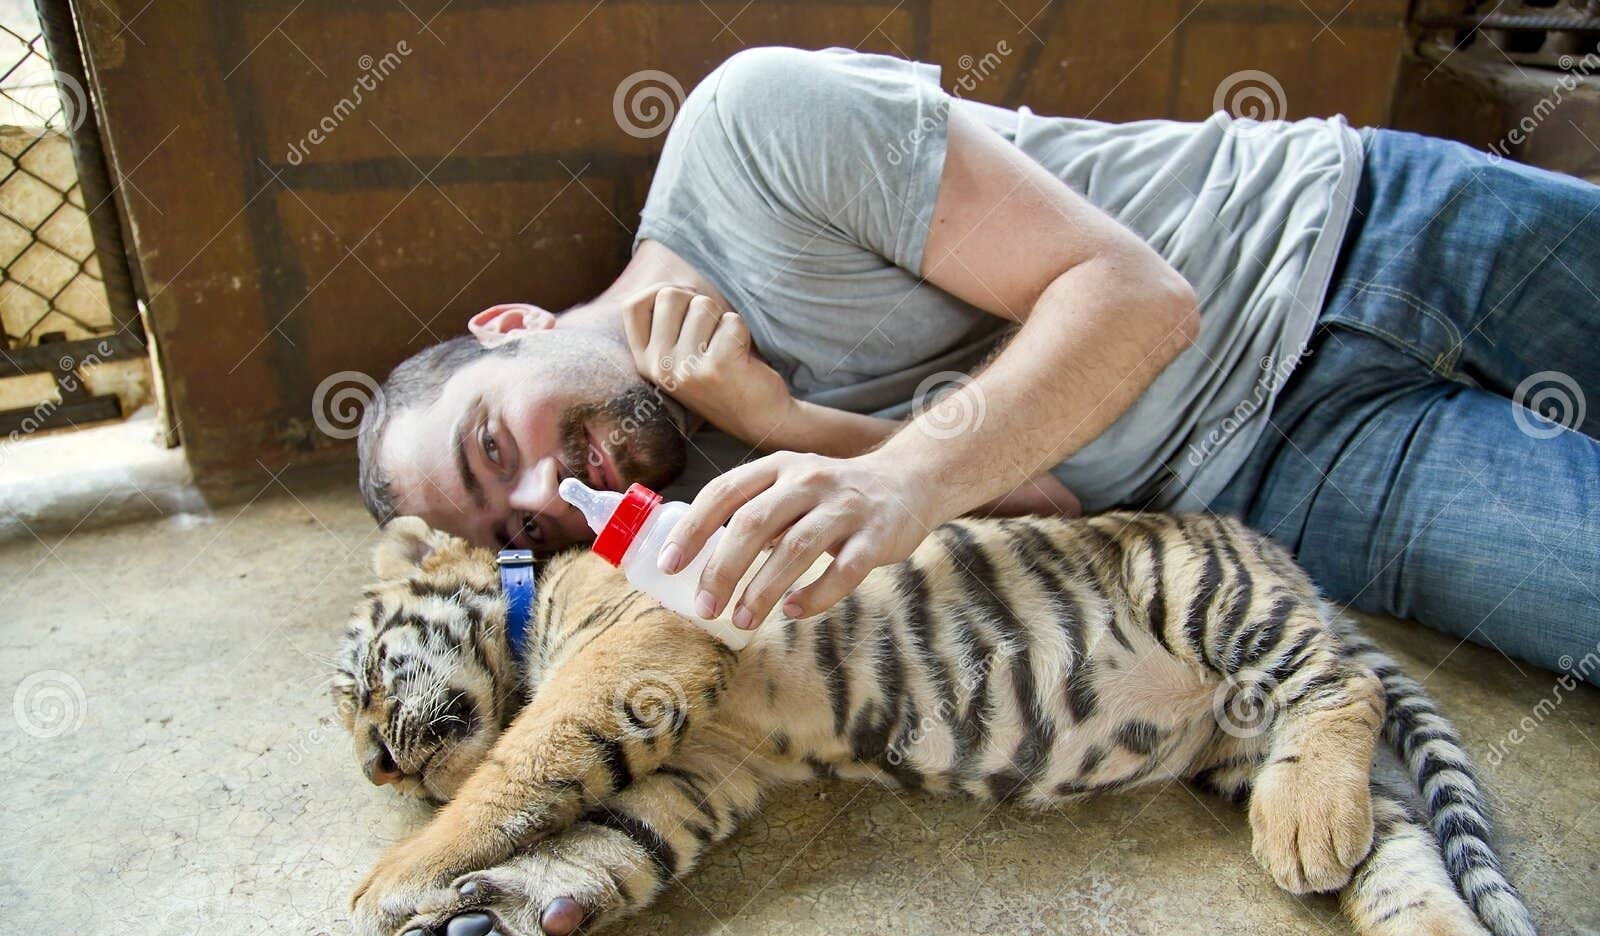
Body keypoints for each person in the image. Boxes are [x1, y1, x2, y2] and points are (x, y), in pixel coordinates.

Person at [356, 46, 1600, 684]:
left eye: (492, 442)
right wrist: (785, 424)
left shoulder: (745, 132)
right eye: (514, 528)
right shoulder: (703, 508)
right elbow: (1049, 500)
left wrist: (890, 484)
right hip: (1285, 478)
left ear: (511, 325)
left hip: (1363, 230)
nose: (543, 490)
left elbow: (1137, 302)